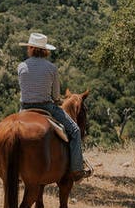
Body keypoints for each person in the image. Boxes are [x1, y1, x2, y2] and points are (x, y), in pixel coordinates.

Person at [17, 32, 91, 181]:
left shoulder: (21, 66)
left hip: (24, 108)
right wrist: (56, 100)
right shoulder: (51, 68)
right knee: (75, 131)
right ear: (45, 50)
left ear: (31, 48)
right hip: (47, 107)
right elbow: (56, 96)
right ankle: (77, 169)